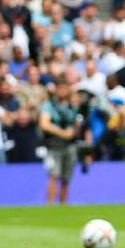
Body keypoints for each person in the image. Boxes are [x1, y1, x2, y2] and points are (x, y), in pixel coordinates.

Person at [41, 74, 84, 204]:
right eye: (60, 88)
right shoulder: (49, 105)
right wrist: (62, 133)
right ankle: (49, 205)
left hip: (69, 146)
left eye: (65, 88)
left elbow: (78, 123)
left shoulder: (73, 106)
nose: (62, 91)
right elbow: (44, 124)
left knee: (66, 178)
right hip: (54, 145)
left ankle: (63, 205)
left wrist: (75, 130)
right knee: (53, 175)